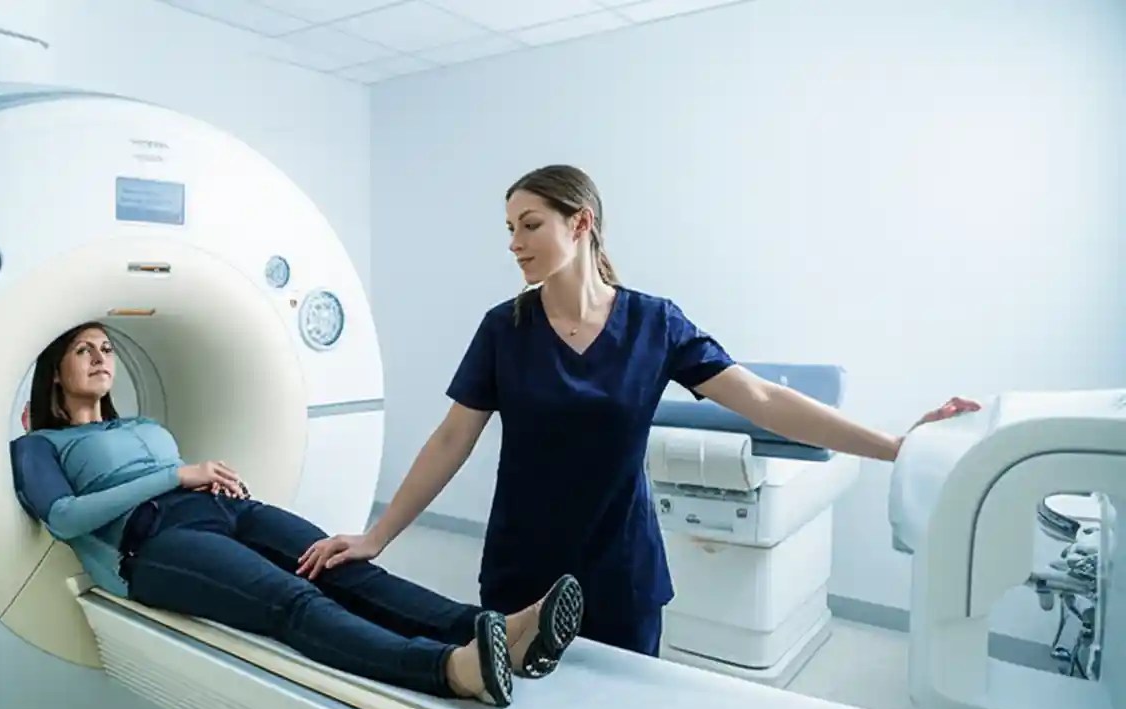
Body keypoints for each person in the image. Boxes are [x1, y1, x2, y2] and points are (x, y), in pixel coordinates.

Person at [297, 164, 982, 659]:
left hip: (620, 570)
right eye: (509, 229)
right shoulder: (505, 329)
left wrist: (897, 445)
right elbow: (452, 438)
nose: (514, 243)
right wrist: (378, 535)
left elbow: (763, 401)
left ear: (581, 222)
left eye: (530, 225)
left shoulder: (656, 324)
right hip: (521, 567)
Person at [9, 321, 587, 708]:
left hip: (224, 509)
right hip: (155, 542)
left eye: (107, 348)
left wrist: (209, 481)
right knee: (293, 601)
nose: (101, 357)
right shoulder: (40, 446)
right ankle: (451, 670)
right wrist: (177, 474)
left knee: (345, 568)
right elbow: (64, 517)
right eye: (83, 350)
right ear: (55, 371)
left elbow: (177, 476)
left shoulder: (138, 424)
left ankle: (500, 630)